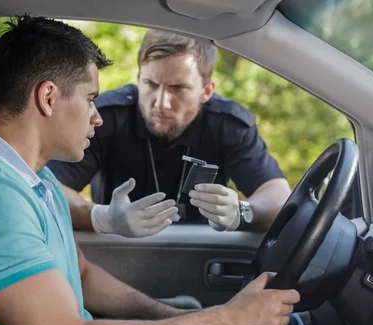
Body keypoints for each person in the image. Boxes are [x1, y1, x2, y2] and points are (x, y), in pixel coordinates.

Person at [0, 15, 350, 325]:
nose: (97, 116)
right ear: (48, 98)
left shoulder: (29, 176)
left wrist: (174, 317)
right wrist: (226, 324)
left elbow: (82, 276)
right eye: (89, 98)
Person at [47, 30, 292, 237]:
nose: (161, 102)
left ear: (206, 91)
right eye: (151, 84)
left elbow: (279, 197)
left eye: (178, 88)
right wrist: (101, 218)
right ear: (139, 78)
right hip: (121, 253)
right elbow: (51, 189)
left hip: (200, 259)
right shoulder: (106, 118)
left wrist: (243, 212)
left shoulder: (228, 125)